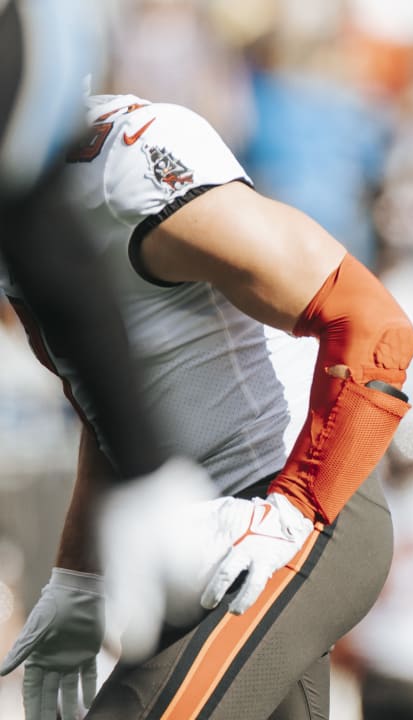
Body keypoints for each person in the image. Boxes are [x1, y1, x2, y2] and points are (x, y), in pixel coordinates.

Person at [0, 90, 413, 719]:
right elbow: (115, 411)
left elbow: (377, 327)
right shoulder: (24, 204)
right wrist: (79, 581)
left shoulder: (124, 168)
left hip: (288, 515)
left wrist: (292, 511)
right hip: (187, 541)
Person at [0, 4, 225, 716]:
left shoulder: (135, 150)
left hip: (260, 507)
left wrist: (301, 499)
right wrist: (76, 575)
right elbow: (94, 401)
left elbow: (365, 320)